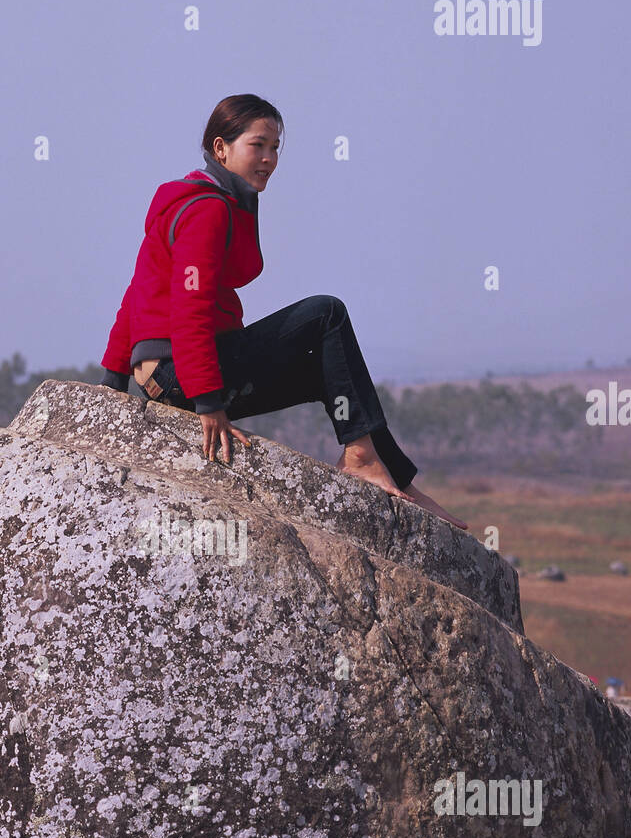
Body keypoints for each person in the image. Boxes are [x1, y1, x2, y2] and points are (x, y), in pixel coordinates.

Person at [98, 94, 466, 530]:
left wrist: (113, 382)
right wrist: (209, 404)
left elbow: (136, 292)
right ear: (221, 148)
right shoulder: (207, 209)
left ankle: (382, 467)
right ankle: (364, 457)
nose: (269, 159)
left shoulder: (195, 202)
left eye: (275, 148)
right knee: (325, 314)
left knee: (326, 372)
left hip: (166, 378)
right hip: (181, 376)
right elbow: (189, 307)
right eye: (258, 145)